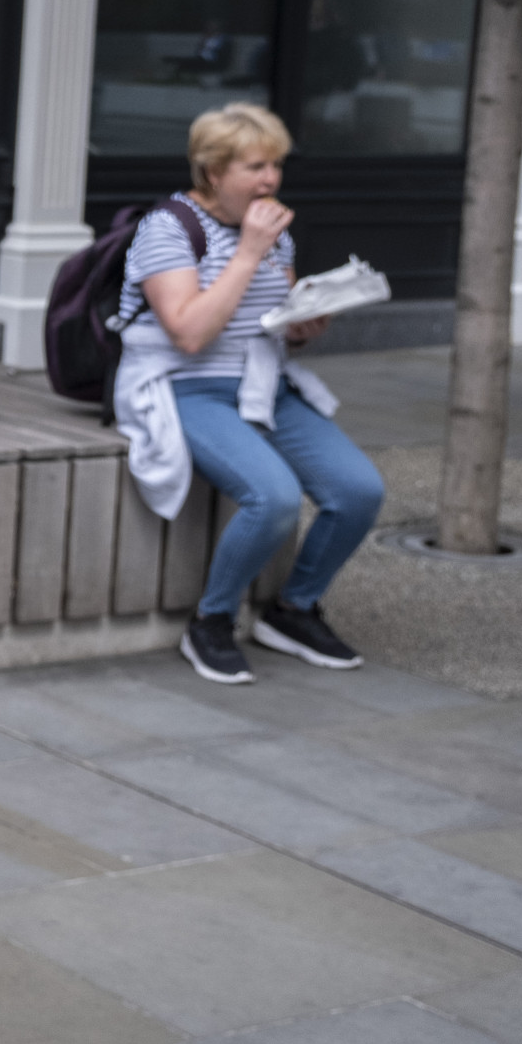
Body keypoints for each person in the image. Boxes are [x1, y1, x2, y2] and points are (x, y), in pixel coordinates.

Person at [114, 102, 386, 685]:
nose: (270, 179)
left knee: (359, 489)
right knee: (274, 496)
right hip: (188, 390)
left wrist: (305, 326)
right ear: (213, 172)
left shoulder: (271, 233)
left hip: (266, 386)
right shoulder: (168, 228)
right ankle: (211, 621)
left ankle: (291, 611)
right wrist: (247, 254)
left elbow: (271, 320)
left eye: (275, 165)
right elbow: (188, 333)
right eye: (254, 166)